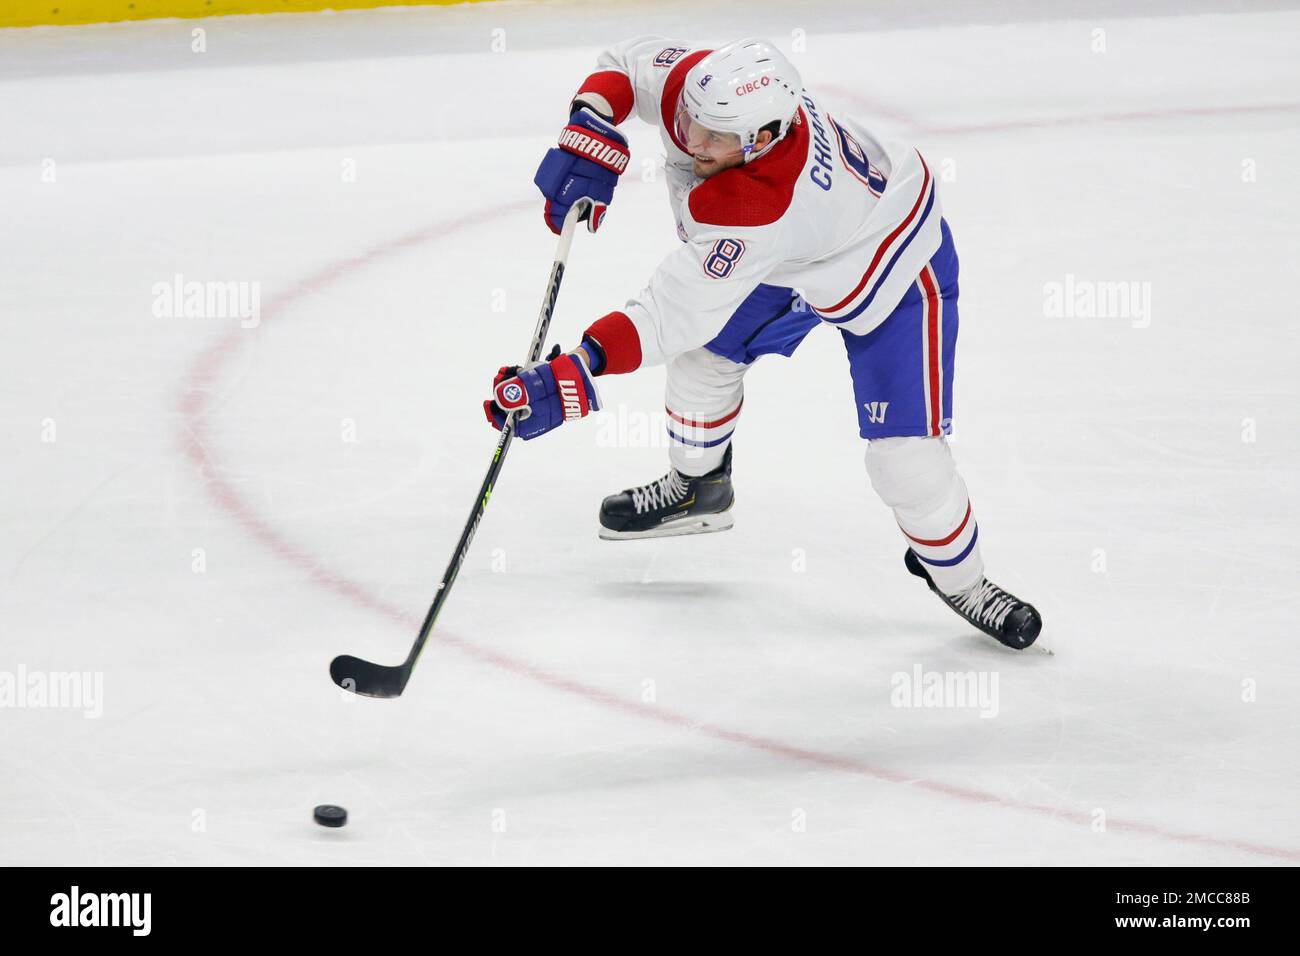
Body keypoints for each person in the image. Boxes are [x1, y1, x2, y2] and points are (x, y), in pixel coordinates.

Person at [483, 37, 1042, 649]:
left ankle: (963, 581)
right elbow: (624, 67)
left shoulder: (755, 208)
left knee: (904, 462)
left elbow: (667, 316)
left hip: (895, 265)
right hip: (796, 255)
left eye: (714, 138)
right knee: (704, 364)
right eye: (693, 123)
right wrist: (590, 121)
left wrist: (575, 369)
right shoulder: (707, 95)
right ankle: (700, 486)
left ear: (763, 140)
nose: (692, 142)